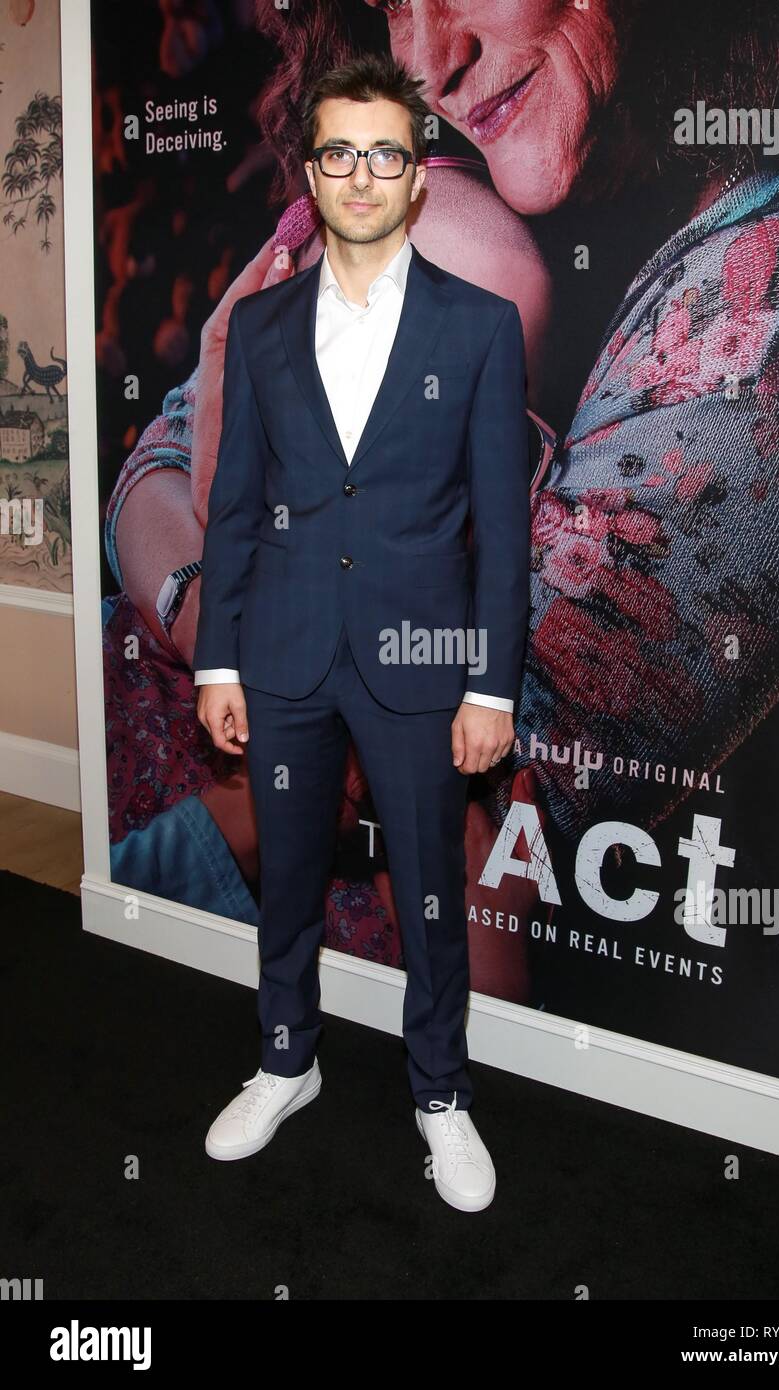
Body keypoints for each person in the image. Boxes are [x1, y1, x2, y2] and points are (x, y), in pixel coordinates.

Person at [193, 52, 530, 1212]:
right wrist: (219, 655)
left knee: (429, 892)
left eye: (383, 153)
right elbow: (234, 502)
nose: (360, 174)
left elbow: (502, 528)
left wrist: (491, 685)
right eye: (338, 152)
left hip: (423, 664)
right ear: (314, 168)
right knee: (287, 878)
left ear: (414, 176)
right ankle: (285, 1058)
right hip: (282, 652)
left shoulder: (479, 328)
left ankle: (440, 1093)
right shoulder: (266, 325)